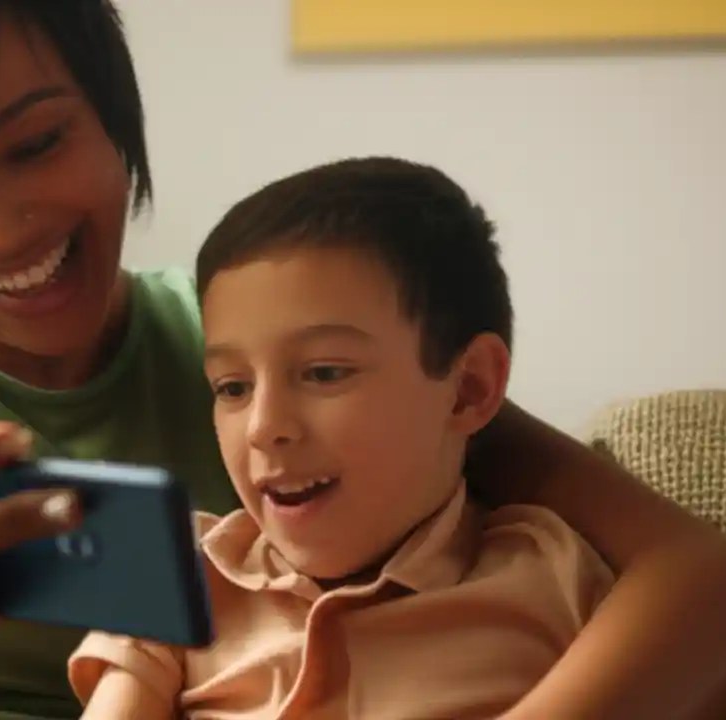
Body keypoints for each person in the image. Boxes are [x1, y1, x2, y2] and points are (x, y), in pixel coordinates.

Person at [0, 2, 726, 719]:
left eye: (38, 143)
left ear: (115, 119)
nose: (1, 228)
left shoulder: (256, 354)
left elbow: (712, 592)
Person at [70, 155, 617, 718]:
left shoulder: (555, 581)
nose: (264, 427)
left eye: (325, 373)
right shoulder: (175, 573)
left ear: (469, 390)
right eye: (232, 387)